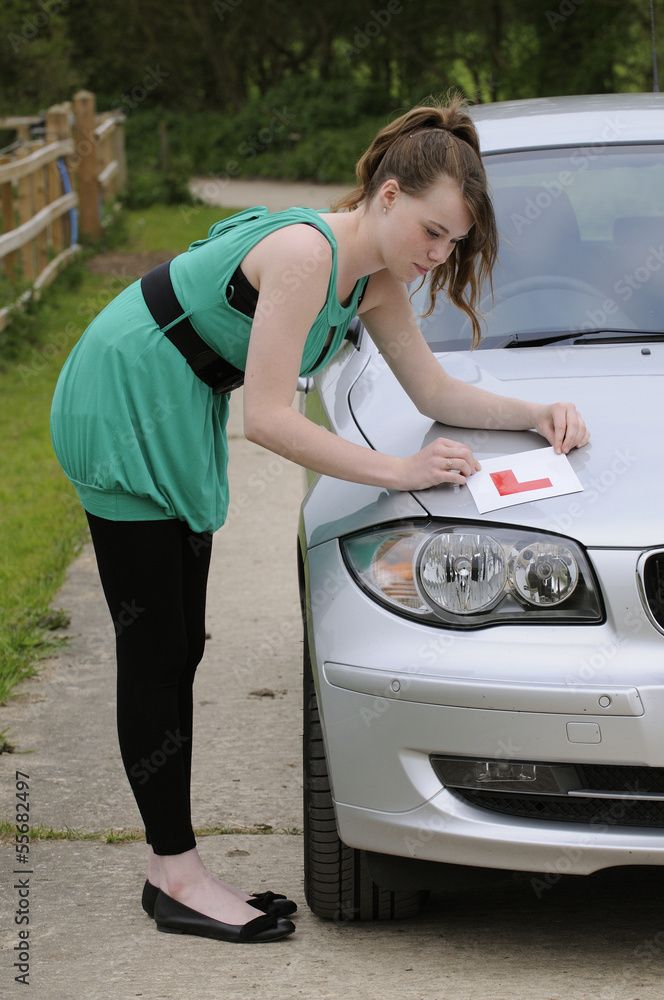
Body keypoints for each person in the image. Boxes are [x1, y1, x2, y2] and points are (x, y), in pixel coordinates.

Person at [50, 94, 589, 944]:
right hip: (124, 400)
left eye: (452, 242)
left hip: (175, 400)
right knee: (156, 645)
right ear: (386, 198)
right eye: (431, 233)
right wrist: (401, 470)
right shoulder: (307, 254)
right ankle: (177, 877)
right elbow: (268, 417)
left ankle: (172, 869)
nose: (438, 256)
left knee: (179, 641)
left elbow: (434, 388)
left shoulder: (372, 278)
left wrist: (536, 412)